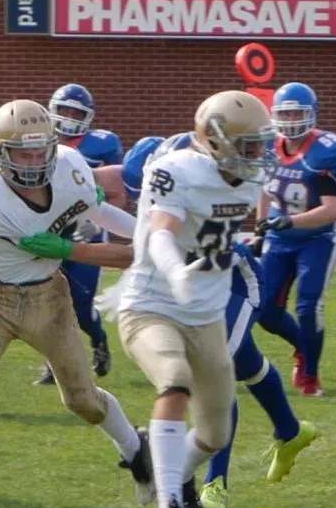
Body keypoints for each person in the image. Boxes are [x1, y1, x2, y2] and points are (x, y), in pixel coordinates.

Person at [0, 100, 149, 507]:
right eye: (22, 152)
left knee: (82, 400)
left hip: (49, 295)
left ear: (52, 145)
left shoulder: (71, 167)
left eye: (39, 150)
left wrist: (147, 237)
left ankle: (137, 449)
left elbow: (99, 212)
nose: (33, 161)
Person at [97, 133, 319, 508]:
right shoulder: (169, 184)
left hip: (234, 282)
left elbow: (153, 241)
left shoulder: (196, 185)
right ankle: (291, 430)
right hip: (191, 290)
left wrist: (70, 248)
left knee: (218, 371)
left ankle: (214, 483)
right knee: (248, 363)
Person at [117, 91, 276, 507]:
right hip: (152, 303)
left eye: (261, 144)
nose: (258, 154)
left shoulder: (251, 178)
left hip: (206, 314)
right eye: (249, 145)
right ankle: (170, 498)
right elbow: (163, 231)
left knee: (214, 434)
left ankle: (159, 469)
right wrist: (173, 270)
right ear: (216, 140)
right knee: (174, 379)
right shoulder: (175, 170)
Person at [254, 82, 336, 397]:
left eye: (298, 112)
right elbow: (264, 190)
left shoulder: (325, 151)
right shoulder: (268, 146)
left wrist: (288, 221)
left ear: (311, 114)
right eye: (286, 112)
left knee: (308, 305)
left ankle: (310, 374)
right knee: (266, 310)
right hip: (281, 237)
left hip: (318, 237)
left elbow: (333, 210)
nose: (292, 119)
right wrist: (261, 224)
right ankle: (302, 346)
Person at [34, 83, 124, 386]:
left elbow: (118, 193)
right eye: (65, 110)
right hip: (52, 231)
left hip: (88, 234)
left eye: (77, 112)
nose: (70, 117)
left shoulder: (103, 144)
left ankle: (98, 339)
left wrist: (97, 222)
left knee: (82, 308)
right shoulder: (37, 141)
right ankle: (54, 366)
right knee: (50, 303)